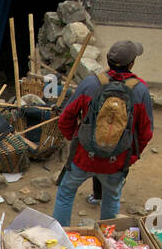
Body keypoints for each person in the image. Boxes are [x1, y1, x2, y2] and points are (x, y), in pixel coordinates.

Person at [52, 40, 154, 225]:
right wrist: (130, 157)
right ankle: (107, 241)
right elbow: (145, 132)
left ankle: (61, 238)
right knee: (112, 199)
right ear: (131, 64)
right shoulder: (140, 90)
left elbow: (65, 118)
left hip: (83, 156)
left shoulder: (90, 83)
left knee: (65, 194)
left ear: (107, 60)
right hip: (116, 161)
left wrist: (77, 139)